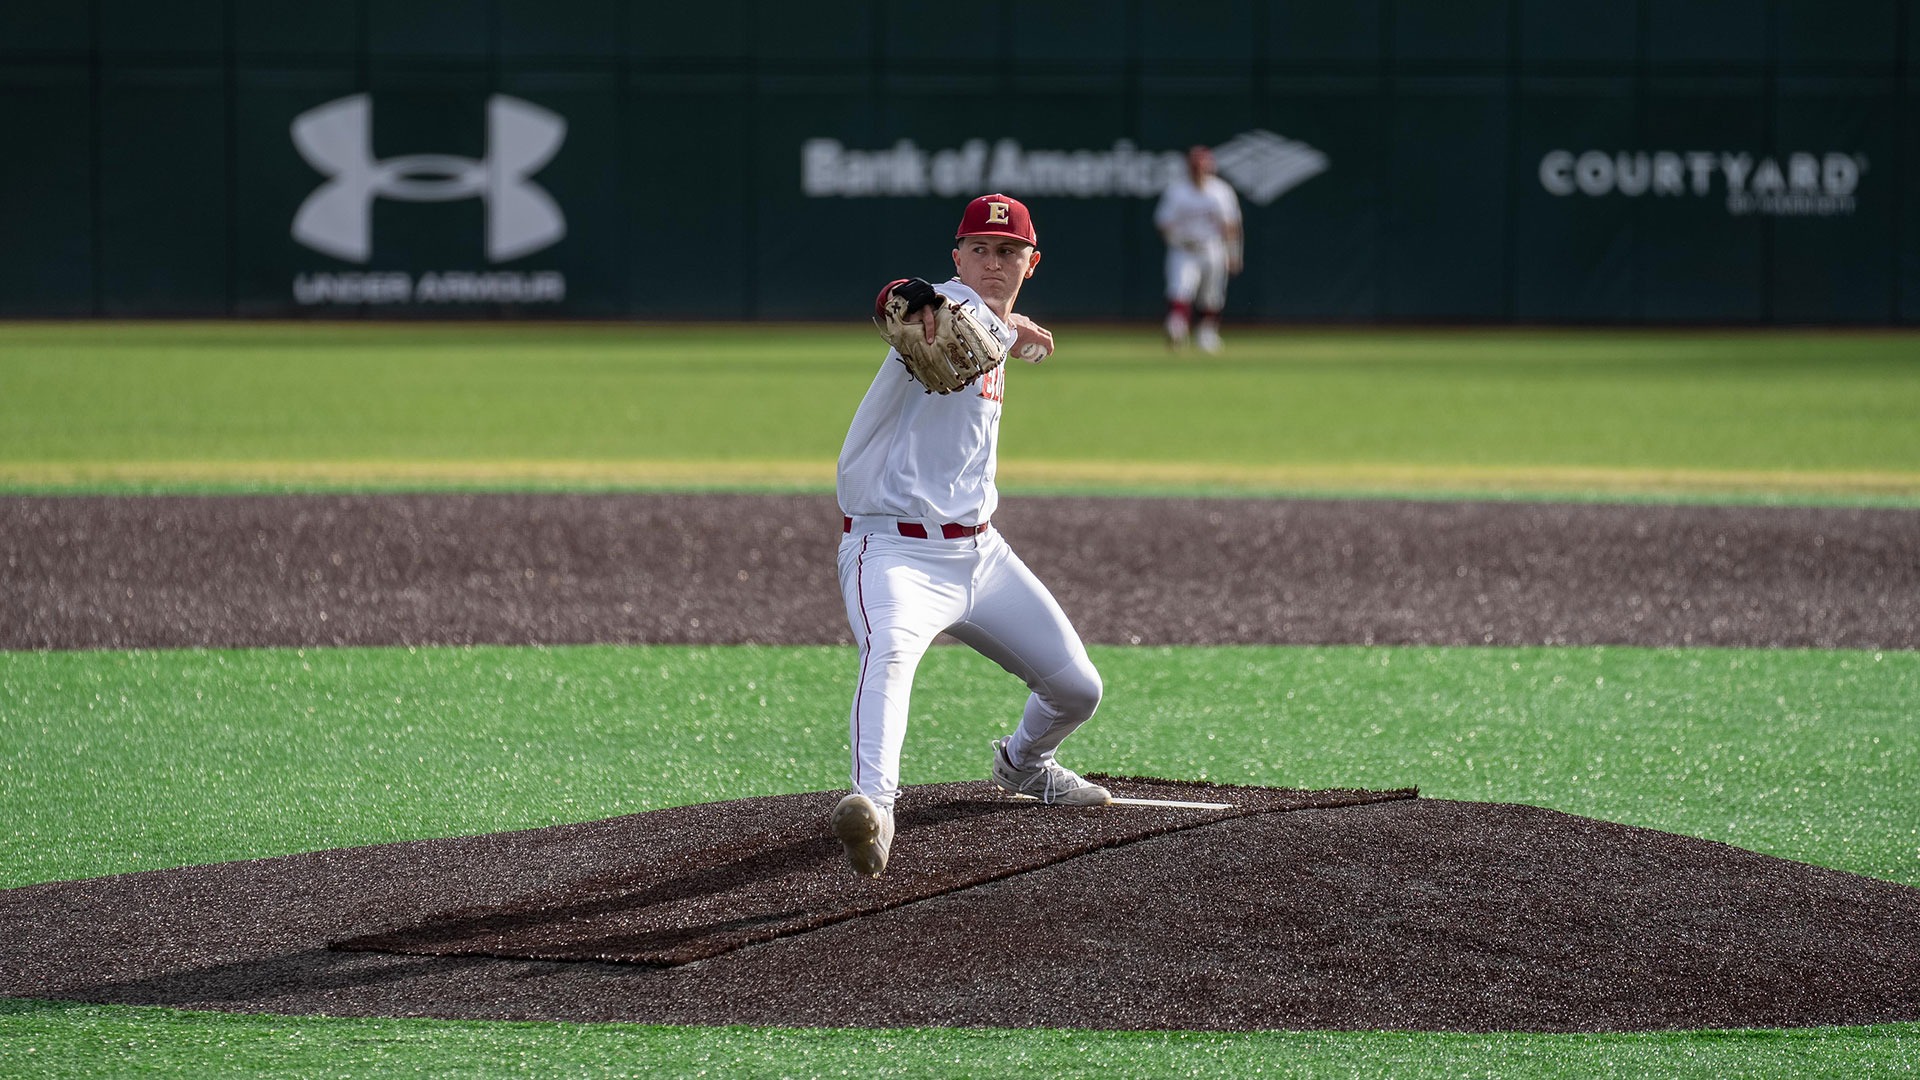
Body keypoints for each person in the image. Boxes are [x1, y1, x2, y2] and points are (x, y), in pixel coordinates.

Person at [829, 193, 1110, 879]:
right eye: (979, 250)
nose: (993, 262)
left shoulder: (994, 323)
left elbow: (994, 324)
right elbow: (900, 300)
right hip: (891, 551)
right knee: (890, 655)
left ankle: (1025, 765)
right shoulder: (942, 311)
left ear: (1031, 264)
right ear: (957, 258)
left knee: (1078, 690)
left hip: (981, 555)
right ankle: (875, 809)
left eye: (1008, 252)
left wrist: (1019, 331)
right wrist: (908, 296)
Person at [1154, 145, 1243, 353]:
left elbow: (1231, 227)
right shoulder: (1177, 191)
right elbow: (1163, 223)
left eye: (1202, 167)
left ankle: (1206, 333)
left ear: (1210, 168)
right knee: (1180, 287)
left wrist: (1234, 253)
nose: (1199, 171)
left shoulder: (1221, 191)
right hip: (1184, 249)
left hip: (1212, 247)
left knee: (1212, 295)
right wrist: (1176, 240)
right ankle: (1176, 327)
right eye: (1195, 167)